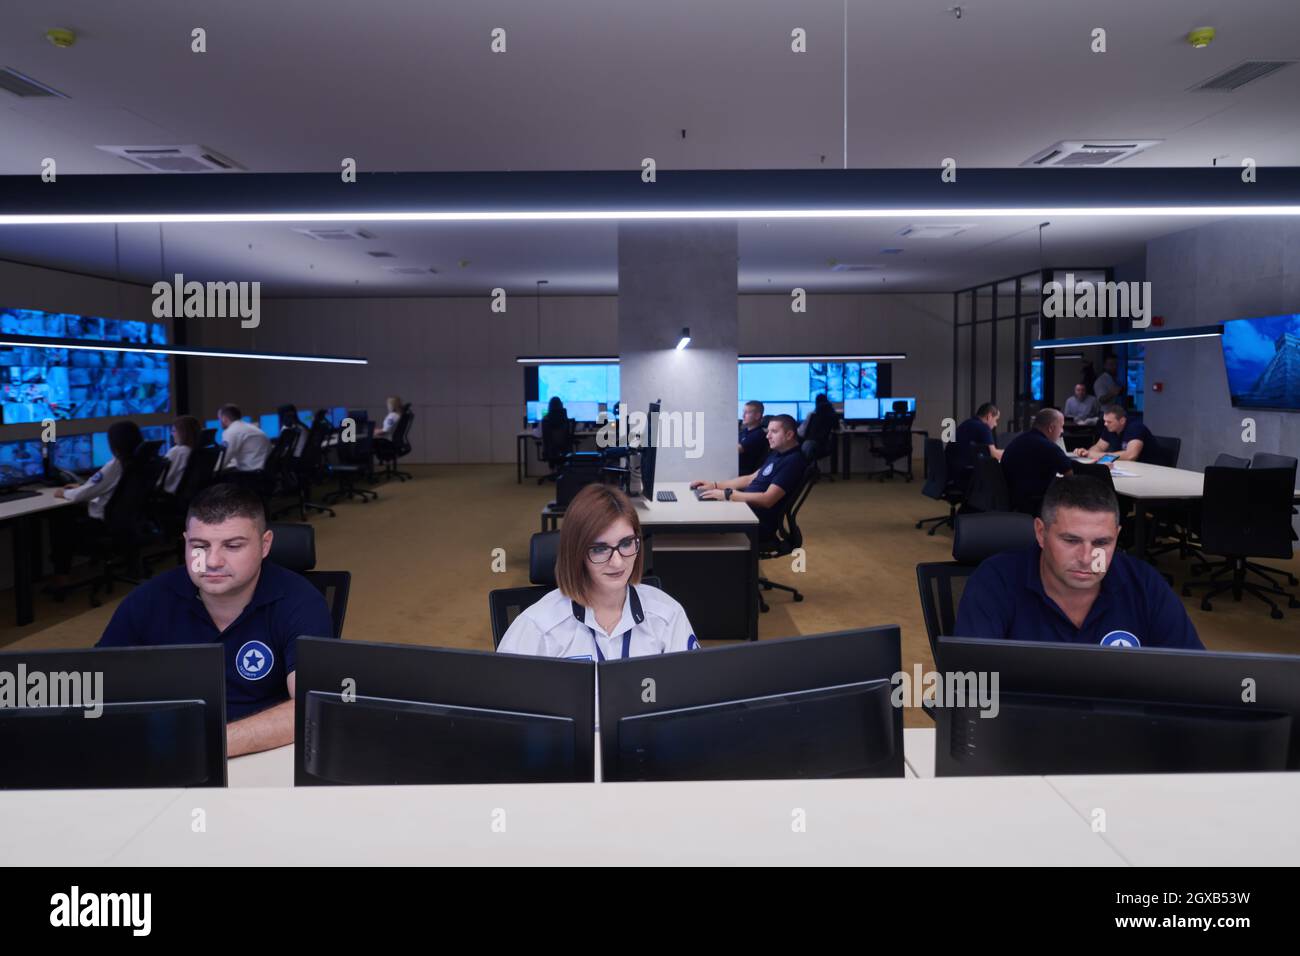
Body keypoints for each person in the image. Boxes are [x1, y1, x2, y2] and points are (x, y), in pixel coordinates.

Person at [97, 483, 333, 756]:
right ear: (185, 542)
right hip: (164, 752)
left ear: (265, 544)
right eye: (200, 546)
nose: (213, 561)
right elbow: (100, 689)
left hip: (262, 755)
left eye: (232, 546)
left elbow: (311, 706)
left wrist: (200, 743)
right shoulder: (149, 599)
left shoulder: (300, 601)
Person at [955, 476, 1203, 648]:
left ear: (1117, 537)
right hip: (1023, 724)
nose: (1087, 559)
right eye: (1071, 540)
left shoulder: (1144, 584)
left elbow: (1193, 678)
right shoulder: (995, 581)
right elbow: (969, 688)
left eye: (1101, 543)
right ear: (1041, 533)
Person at [498, 484, 699, 658]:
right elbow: (504, 697)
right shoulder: (538, 626)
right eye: (600, 549)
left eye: (627, 543)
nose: (618, 562)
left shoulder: (667, 614)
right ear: (576, 553)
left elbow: (689, 691)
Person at [49, 420, 142, 583]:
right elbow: (100, 487)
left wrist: (64, 492)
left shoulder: (115, 465)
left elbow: (82, 494)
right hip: (126, 523)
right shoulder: (141, 462)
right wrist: (85, 486)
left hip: (104, 525)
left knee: (61, 518)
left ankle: (61, 577)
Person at [690, 414, 806, 541]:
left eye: (774, 431)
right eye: (768, 431)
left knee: (700, 521)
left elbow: (768, 499)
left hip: (755, 520)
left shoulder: (793, 461)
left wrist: (728, 495)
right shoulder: (778, 454)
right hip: (745, 509)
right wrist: (715, 485)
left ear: (789, 435)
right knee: (699, 509)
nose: (768, 436)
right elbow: (750, 479)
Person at [1001, 408, 1073, 516]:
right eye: (1061, 426)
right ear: (1051, 428)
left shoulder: (1017, 441)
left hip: (1014, 501)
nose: (1062, 431)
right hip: (1036, 505)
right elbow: (1070, 476)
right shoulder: (1048, 447)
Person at [1074, 405, 1156, 463]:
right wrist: (1088, 453)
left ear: (1122, 421)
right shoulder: (1109, 427)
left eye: (1109, 422)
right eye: (1105, 421)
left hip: (1153, 466)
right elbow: (1099, 447)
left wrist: (1098, 455)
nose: (1105, 424)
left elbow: (1131, 455)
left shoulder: (1135, 427)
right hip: (1132, 467)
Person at [216, 404, 271, 471]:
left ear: (224, 418)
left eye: (219, 418)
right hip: (263, 470)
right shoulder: (248, 427)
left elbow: (223, 459)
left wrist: (210, 470)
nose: (219, 421)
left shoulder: (232, 431)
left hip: (251, 473)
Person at [954, 402, 1003, 468]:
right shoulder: (983, 427)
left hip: (951, 470)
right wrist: (1010, 452)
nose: (996, 424)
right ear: (989, 416)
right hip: (964, 472)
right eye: (996, 420)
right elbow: (993, 454)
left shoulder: (967, 423)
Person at [162, 415, 200, 494]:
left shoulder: (177, 451)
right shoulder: (199, 452)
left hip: (169, 497)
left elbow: (163, 478)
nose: (172, 434)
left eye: (173, 431)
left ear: (183, 432)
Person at [737, 400, 768, 474]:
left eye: (747, 413)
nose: (743, 416)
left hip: (744, 473)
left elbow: (735, 450)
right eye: (743, 412)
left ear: (757, 416)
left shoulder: (758, 434)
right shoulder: (745, 431)